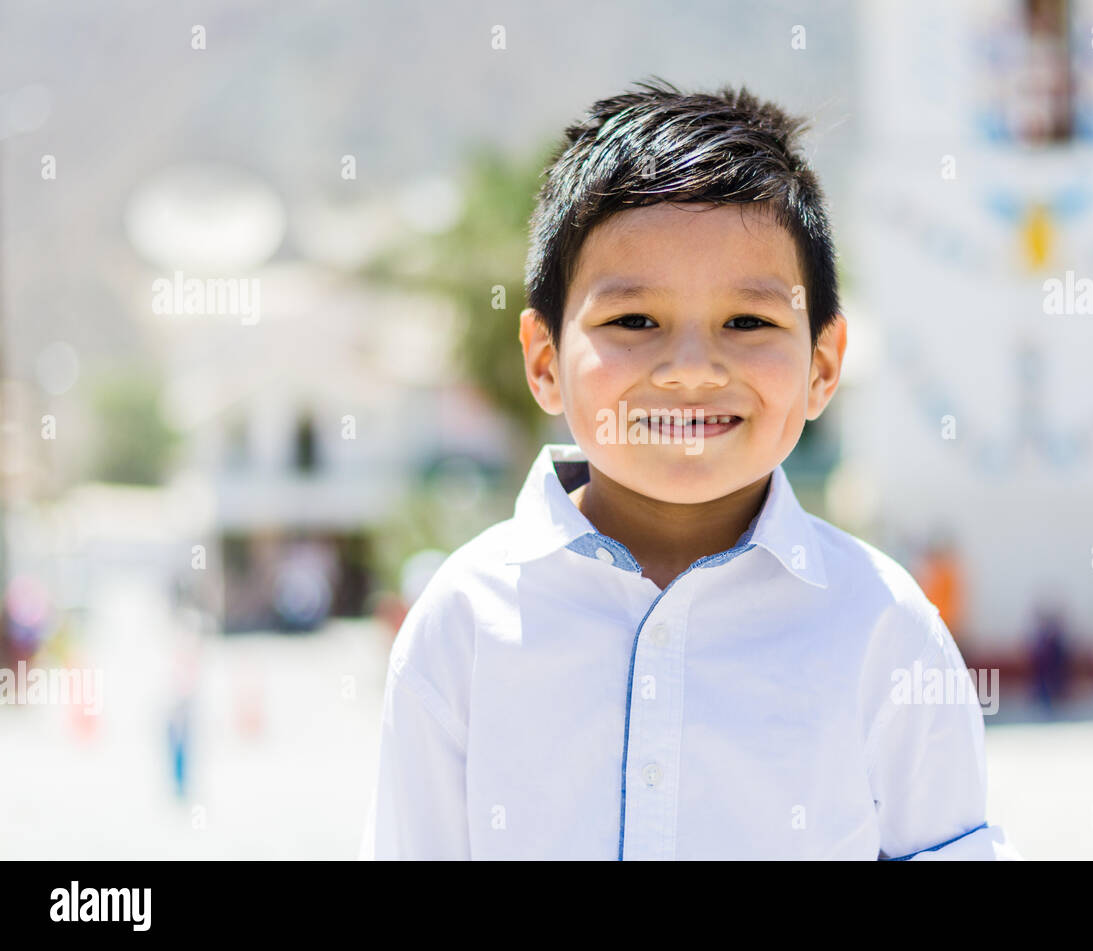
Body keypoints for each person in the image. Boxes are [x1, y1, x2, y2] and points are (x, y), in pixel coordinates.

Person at [359, 78, 1019, 861]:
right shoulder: (463, 623)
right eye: (634, 320)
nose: (692, 369)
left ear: (822, 363)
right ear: (543, 360)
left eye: (748, 321)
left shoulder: (884, 626)